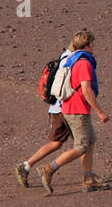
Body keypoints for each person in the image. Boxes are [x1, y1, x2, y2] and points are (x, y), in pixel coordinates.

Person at [40, 30, 111, 194]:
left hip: (72, 107)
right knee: (81, 147)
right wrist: (100, 112)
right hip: (76, 109)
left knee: (90, 140)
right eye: (92, 43)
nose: (94, 46)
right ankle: (49, 169)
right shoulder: (84, 63)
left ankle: (88, 178)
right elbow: (86, 90)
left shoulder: (72, 60)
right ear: (86, 44)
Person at [14, 41, 74, 188]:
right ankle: (87, 177)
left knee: (57, 143)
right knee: (84, 143)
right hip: (66, 109)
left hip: (55, 108)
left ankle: (26, 166)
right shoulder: (73, 60)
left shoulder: (62, 57)